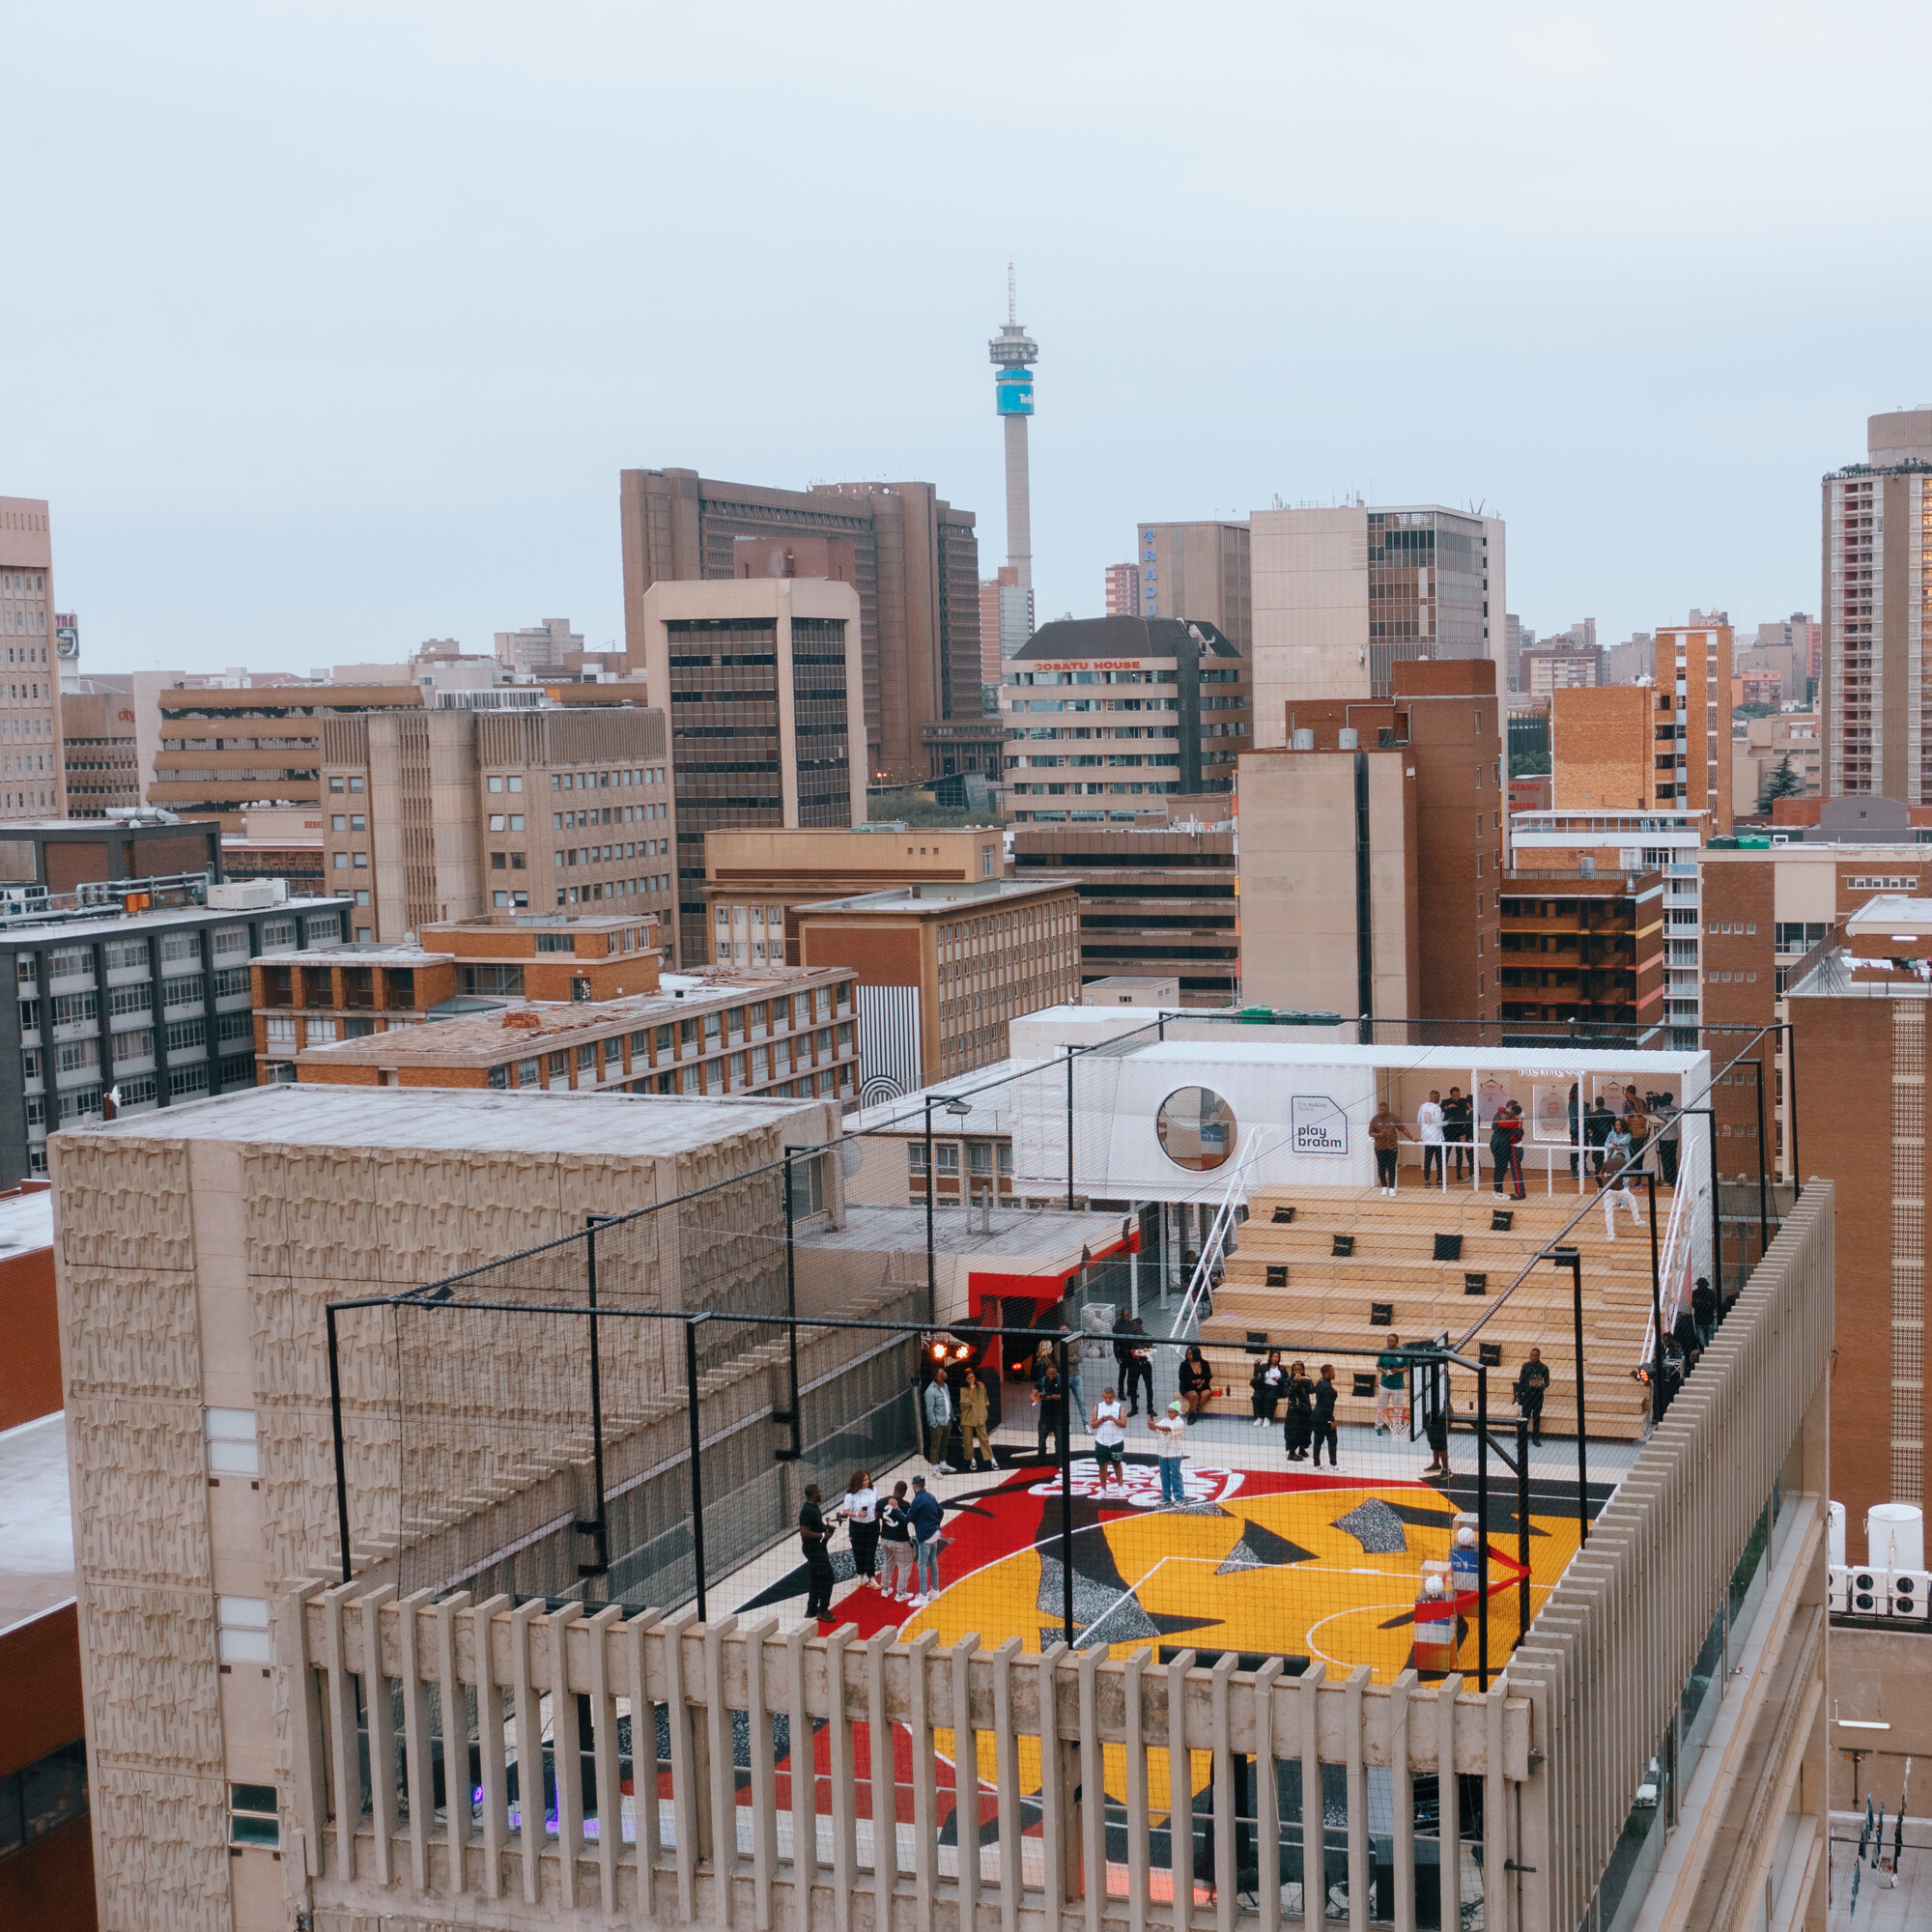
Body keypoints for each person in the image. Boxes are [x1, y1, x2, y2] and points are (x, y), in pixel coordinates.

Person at [798, 1484, 836, 1620]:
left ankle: (812, 1609)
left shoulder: (814, 1508)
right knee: (828, 1577)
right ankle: (823, 1610)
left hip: (816, 1548)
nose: (821, 1493)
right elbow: (804, 1532)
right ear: (814, 1494)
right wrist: (822, 1535)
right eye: (819, 1491)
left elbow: (816, 1525)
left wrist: (826, 1527)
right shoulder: (807, 1511)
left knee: (816, 1577)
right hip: (813, 1549)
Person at [907, 1474, 944, 1605]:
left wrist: (896, 1511)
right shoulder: (930, 1496)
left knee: (921, 1564)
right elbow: (941, 1512)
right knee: (933, 1560)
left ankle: (922, 1596)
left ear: (914, 1485)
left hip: (925, 1536)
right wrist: (935, 1525)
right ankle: (935, 1590)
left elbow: (907, 1519)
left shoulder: (917, 1500)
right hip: (935, 1533)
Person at [841, 1468, 880, 1590]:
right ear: (858, 1481)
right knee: (858, 1551)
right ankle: (859, 1574)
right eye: (864, 1480)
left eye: (867, 1479)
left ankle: (871, 1577)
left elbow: (878, 1504)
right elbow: (846, 1511)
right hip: (857, 1526)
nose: (866, 1482)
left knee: (870, 1551)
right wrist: (857, 1514)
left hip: (872, 1525)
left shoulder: (873, 1490)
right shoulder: (850, 1495)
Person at [879, 1480, 917, 1602]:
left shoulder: (881, 1502)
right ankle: (900, 1593)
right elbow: (909, 1519)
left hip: (884, 1538)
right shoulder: (906, 1505)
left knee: (888, 1562)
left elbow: (875, 1515)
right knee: (904, 1567)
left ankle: (885, 1589)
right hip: (900, 1540)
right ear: (904, 1491)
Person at [1369, 1099, 1414, 1196]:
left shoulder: (1394, 1118)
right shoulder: (1375, 1119)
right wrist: (1379, 1135)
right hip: (1380, 1147)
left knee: (1391, 1167)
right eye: (1379, 1110)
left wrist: (1412, 1138)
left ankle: (1392, 1188)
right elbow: (1370, 1133)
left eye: (1383, 1110)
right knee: (1381, 1167)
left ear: (1387, 1109)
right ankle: (1384, 1187)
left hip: (1392, 1147)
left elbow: (1403, 1129)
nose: (1381, 1112)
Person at [1091, 1385, 1127, 1492]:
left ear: (1114, 1396)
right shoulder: (1097, 1407)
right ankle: (1103, 1489)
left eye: (1110, 1398)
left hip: (1116, 1442)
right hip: (1101, 1443)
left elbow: (1123, 1424)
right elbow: (1093, 1425)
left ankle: (1120, 1486)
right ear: (1103, 1396)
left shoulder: (1120, 1407)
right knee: (1102, 1467)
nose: (1107, 1400)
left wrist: (1113, 1419)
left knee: (1117, 1464)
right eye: (1105, 1398)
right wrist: (1100, 1421)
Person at [1151, 1398, 1188, 1503]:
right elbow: (1157, 1429)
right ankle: (1166, 1497)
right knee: (1164, 1475)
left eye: (1171, 1412)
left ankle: (1180, 1499)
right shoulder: (1165, 1420)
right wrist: (1151, 1426)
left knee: (1175, 1476)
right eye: (1168, 1412)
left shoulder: (1179, 1422)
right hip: (1163, 1453)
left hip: (1174, 1453)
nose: (1169, 1414)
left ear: (1177, 1413)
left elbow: (1167, 1429)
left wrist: (1155, 1426)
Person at [957, 1367, 993, 1472]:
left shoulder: (981, 1386)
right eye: (969, 1379)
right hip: (968, 1417)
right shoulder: (963, 1390)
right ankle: (971, 1459)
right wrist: (971, 1392)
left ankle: (990, 1457)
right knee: (968, 1440)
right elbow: (965, 1403)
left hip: (980, 1416)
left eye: (972, 1377)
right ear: (965, 1380)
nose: (972, 1380)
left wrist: (985, 1410)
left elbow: (986, 1399)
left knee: (984, 1438)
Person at [1374, 1336, 1409, 1436]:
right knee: (1381, 1407)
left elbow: (1407, 1368)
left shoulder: (1403, 1353)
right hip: (1384, 1384)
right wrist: (1384, 1371)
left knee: (1398, 1408)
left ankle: (1397, 1427)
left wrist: (1397, 1370)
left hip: (1398, 1386)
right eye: (1389, 1340)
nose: (1391, 1342)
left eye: (1393, 1341)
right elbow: (1378, 1366)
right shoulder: (1383, 1352)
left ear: (1397, 1342)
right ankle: (1378, 1427)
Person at [1514, 1349, 1550, 1444]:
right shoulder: (1525, 1366)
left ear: (1538, 1356)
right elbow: (1521, 1381)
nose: (1531, 1357)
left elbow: (1547, 1383)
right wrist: (1518, 1395)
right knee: (1524, 1417)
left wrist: (1540, 1385)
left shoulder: (1544, 1368)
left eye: (1534, 1356)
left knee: (1536, 1417)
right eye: (1530, 1355)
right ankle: (1522, 1438)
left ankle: (1535, 1438)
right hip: (1527, 1395)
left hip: (1538, 1395)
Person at [923, 1369, 955, 1475]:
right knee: (935, 1445)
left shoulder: (945, 1386)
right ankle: (935, 1469)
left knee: (944, 1443)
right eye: (943, 1373)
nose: (946, 1373)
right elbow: (929, 1410)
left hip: (947, 1420)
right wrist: (934, 1424)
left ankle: (943, 1464)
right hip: (938, 1423)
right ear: (938, 1377)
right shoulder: (930, 1391)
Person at [1491, 1101, 1524, 1199]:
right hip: (1499, 1145)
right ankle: (1497, 1191)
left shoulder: (1511, 1117)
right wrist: (1514, 1124)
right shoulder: (1499, 1114)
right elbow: (1497, 1125)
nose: (1514, 1112)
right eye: (1513, 1109)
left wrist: (1514, 1124)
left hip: (1504, 1146)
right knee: (1500, 1168)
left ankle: (1499, 1191)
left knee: (1503, 1168)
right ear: (1509, 1107)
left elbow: (1519, 1132)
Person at [1310, 1364, 1340, 1468]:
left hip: (1316, 1416)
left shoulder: (1320, 1382)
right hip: (1324, 1417)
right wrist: (1331, 1420)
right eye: (1332, 1372)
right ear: (1326, 1374)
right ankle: (1333, 1464)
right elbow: (1327, 1407)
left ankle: (1316, 1464)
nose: (1334, 1373)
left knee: (1317, 1441)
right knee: (1332, 1440)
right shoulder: (1327, 1387)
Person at [1283, 1361, 1314, 1461]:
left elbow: (1312, 1391)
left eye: (1299, 1369)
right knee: (1293, 1430)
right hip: (1294, 1409)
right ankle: (1291, 1453)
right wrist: (1294, 1382)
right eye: (1295, 1370)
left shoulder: (1306, 1378)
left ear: (1303, 1370)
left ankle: (1302, 1448)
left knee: (1306, 1429)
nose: (1297, 1371)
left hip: (1305, 1408)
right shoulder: (1289, 1380)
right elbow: (1288, 1392)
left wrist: (1307, 1382)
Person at [1444, 1087, 1475, 1182]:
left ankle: (1459, 1175)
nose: (1457, 1097)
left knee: (1459, 1154)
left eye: (1458, 1095)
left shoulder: (1463, 1101)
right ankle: (1442, 1176)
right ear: (1451, 1095)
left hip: (1460, 1132)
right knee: (1446, 1154)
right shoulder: (1445, 1102)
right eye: (1455, 1096)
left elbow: (1471, 1106)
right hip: (1448, 1132)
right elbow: (1440, 1109)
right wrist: (1448, 1107)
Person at [1417, 1089, 1447, 1189]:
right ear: (1434, 1097)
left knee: (1427, 1160)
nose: (1439, 1099)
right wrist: (1447, 1122)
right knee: (1439, 1160)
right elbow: (1438, 1124)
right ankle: (1439, 1180)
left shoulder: (1422, 1106)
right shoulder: (1437, 1108)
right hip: (1437, 1138)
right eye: (1438, 1097)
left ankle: (1427, 1181)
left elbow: (1419, 1120)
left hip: (1426, 1137)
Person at [1178, 1345, 1213, 1422]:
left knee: (1207, 1393)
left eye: (1190, 1354)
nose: (1188, 1355)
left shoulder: (1204, 1363)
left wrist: (1202, 1383)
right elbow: (1182, 1378)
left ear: (1196, 1354)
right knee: (1194, 1395)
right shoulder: (1184, 1365)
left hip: (1202, 1385)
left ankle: (1193, 1411)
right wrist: (1193, 1382)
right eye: (1187, 1353)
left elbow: (1208, 1376)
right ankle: (1192, 1417)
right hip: (1187, 1386)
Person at [1250, 1350, 1286, 1426]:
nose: (1275, 1358)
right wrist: (1256, 1365)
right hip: (1264, 1386)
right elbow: (1256, 1374)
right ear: (1270, 1357)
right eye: (1273, 1356)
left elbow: (1286, 1381)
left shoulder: (1282, 1369)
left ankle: (1267, 1418)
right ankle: (1259, 1417)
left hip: (1275, 1387)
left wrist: (1279, 1380)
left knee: (1269, 1398)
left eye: (1277, 1357)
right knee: (1256, 1397)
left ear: (1279, 1358)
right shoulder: (1264, 1366)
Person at [1584, 1094, 1615, 1180]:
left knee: (1598, 1163)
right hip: (1607, 1140)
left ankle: (1599, 1181)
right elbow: (1615, 1127)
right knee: (1608, 1160)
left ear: (1596, 1104)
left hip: (1597, 1140)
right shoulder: (1610, 1114)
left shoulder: (1592, 1116)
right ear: (1604, 1103)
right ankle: (1608, 1180)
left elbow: (1589, 1130)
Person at [1690, 1274, 1718, 1350]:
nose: (1699, 1287)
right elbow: (1694, 1304)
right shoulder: (1695, 1293)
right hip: (1701, 1321)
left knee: (1709, 1342)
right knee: (1702, 1342)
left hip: (1708, 1321)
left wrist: (1699, 1303)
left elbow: (1713, 1306)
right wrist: (1706, 1303)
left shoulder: (1710, 1293)